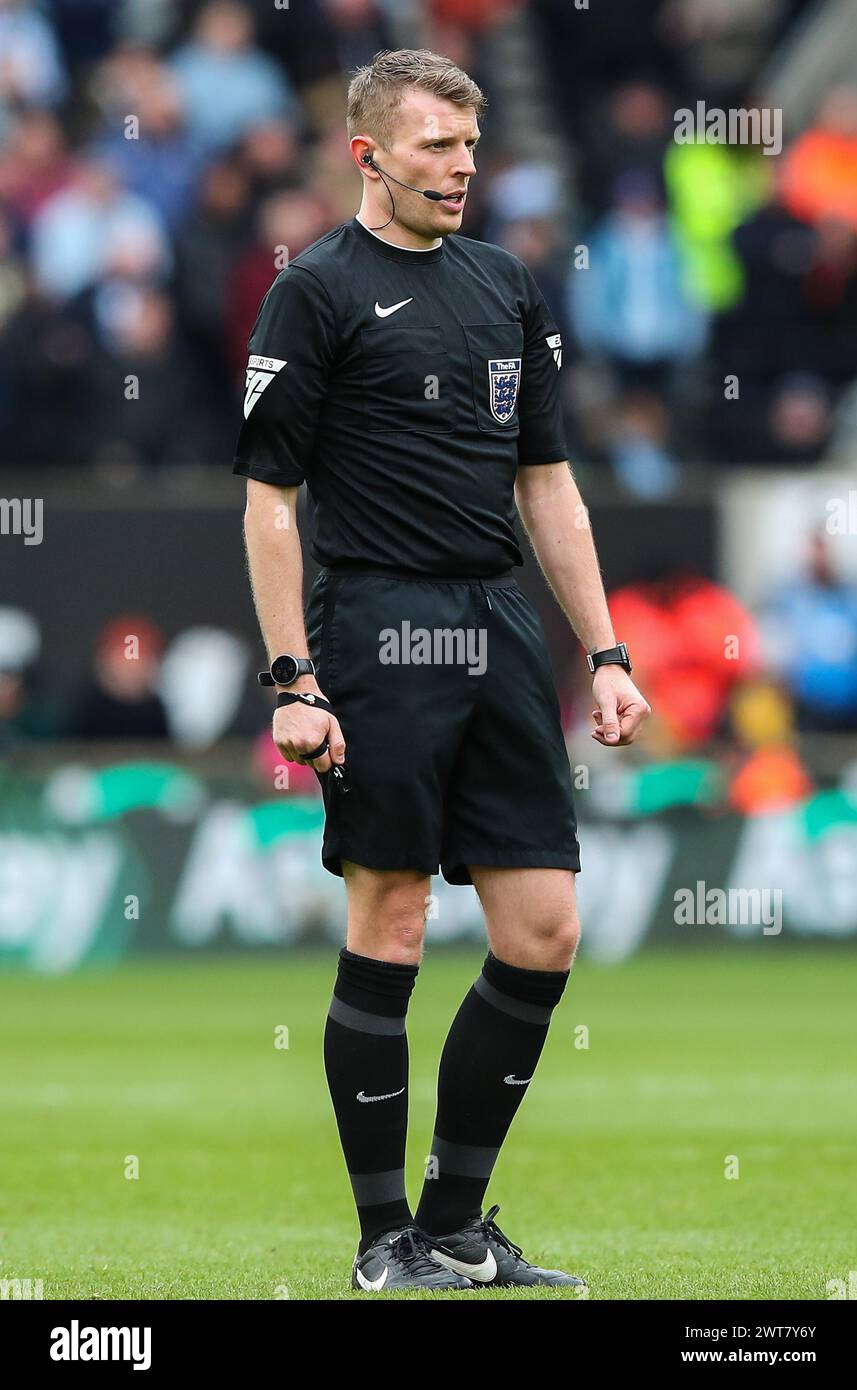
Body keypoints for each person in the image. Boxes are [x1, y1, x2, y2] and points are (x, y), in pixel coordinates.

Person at [233, 48, 651, 1293]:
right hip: (375, 629)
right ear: (368, 154)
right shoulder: (311, 292)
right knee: (396, 919)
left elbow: (547, 484)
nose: (460, 166)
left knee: (542, 929)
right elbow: (265, 500)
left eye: (469, 146)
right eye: (432, 145)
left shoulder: (506, 285)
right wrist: (293, 680)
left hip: (499, 627)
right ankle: (380, 1247)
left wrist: (607, 649)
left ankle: (456, 1224)